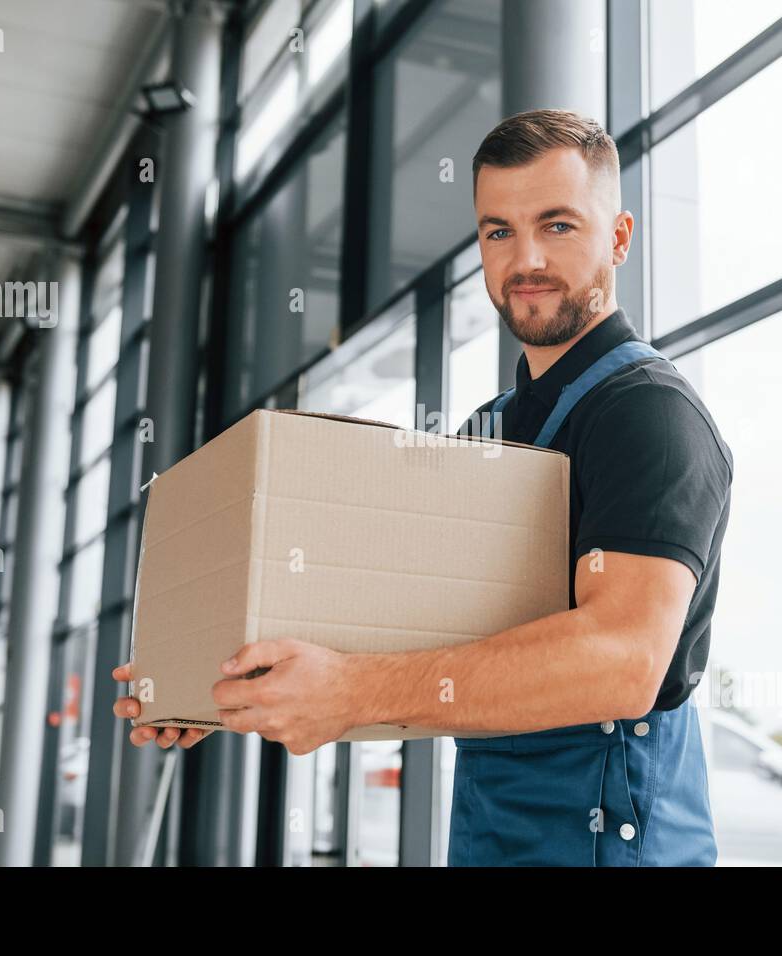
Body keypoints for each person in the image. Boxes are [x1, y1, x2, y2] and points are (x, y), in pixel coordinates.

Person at [114, 108, 733, 866]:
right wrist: (225, 684)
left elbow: (622, 658)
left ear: (619, 237)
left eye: (559, 224)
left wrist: (349, 692)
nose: (526, 257)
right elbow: (407, 630)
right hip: (493, 837)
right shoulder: (489, 429)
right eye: (498, 230)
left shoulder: (649, 416)